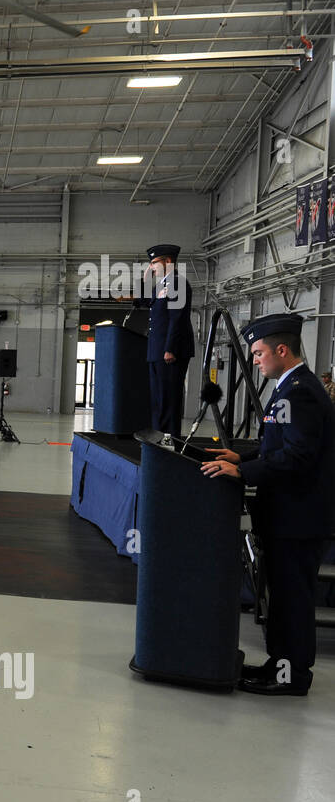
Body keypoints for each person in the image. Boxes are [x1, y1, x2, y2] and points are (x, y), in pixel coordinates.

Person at [202, 313, 335, 696]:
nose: (256, 360)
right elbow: (280, 443)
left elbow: (297, 457)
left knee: (292, 601)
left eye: (259, 353)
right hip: (289, 516)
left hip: (299, 518)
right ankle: (279, 666)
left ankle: (291, 677)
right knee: (282, 598)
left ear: (281, 350)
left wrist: (242, 474)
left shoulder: (300, 392)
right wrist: (243, 457)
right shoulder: (289, 386)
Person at [142, 243, 195, 435]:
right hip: (157, 350)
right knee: (158, 399)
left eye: (155, 263)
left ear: (168, 261)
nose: (152, 267)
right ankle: (159, 438)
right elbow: (143, 302)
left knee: (169, 399)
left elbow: (177, 317)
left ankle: (169, 441)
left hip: (170, 350)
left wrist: (170, 348)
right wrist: (146, 280)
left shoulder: (177, 283)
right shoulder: (161, 285)